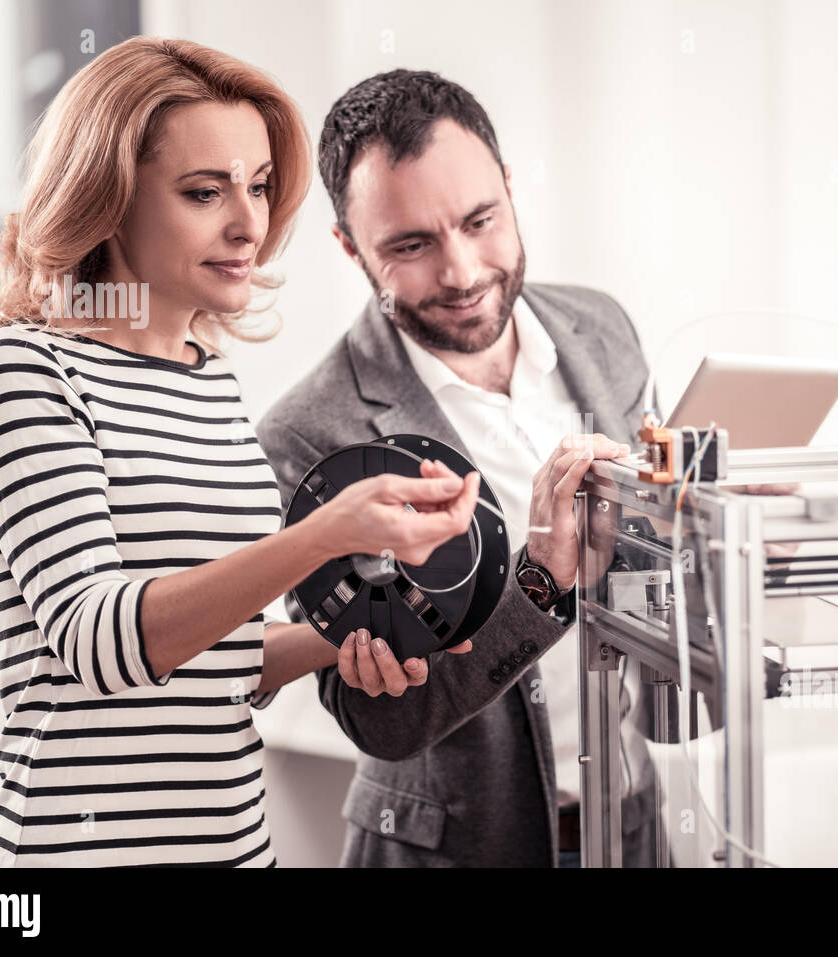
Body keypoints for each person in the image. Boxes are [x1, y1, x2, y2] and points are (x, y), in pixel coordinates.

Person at [0, 38, 478, 868]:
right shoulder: (23, 370)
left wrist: (373, 630)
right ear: (109, 199)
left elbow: (216, 657)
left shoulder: (208, 381)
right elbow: (101, 641)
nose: (249, 224)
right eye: (204, 192)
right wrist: (324, 535)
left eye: (259, 187)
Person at [257, 69, 660, 867]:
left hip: (634, 828)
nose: (463, 271)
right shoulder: (310, 434)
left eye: (482, 220)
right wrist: (539, 575)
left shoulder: (602, 326)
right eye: (410, 245)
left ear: (510, 189)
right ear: (350, 248)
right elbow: (387, 726)